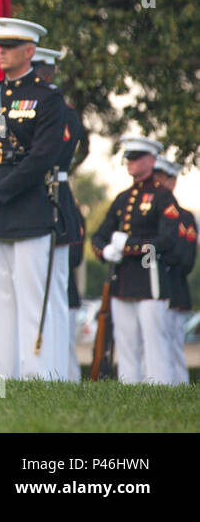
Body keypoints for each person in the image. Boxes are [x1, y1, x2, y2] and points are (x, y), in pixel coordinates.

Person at [0, 18, 64, 380]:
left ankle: (38, 377)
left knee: (33, 302)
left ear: (30, 51)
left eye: (9, 46)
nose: (1, 51)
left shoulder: (47, 98)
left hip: (28, 211)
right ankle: (3, 378)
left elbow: (41, 158)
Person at [91, 136, 181, 385]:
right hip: (124, 281)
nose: (130, 162)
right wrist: (105, 249)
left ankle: (159, 385)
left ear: (151, 160)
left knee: (154, 340)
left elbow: (168, 239)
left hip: (150, 279)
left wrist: (129, 246)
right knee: (126, 339)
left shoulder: (163, 198)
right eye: (128, 157)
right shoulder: (123, 198)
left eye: (136, 157)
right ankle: (129, 385)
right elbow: (99, 235)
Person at [32, 45, 87, 380]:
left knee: (55, 292)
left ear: (47, 73)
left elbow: (52, 153)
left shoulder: (61, 111)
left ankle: (57, 372)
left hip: (51, 196)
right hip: (33, 198)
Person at [152, 157, 194, 385]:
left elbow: (185, 259)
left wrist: (160, 255)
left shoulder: (184, 218)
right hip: (151, 285)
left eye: (161, 178)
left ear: (172, 181)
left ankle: (178, 385)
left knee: (173, 345)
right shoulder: (149, 214)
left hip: (174, 288)